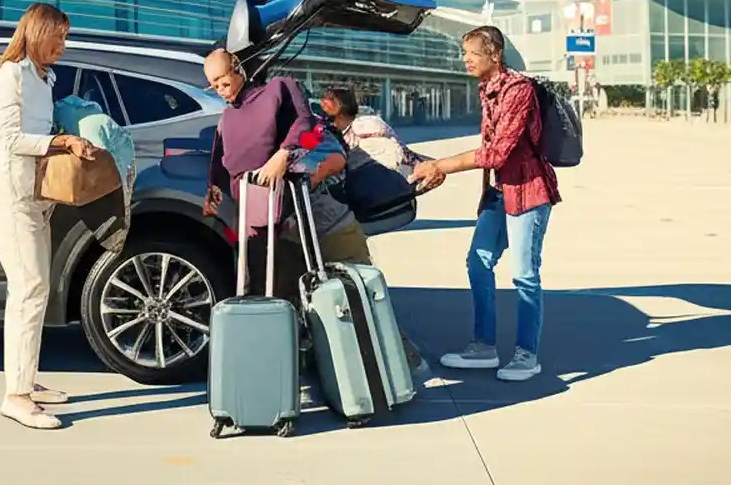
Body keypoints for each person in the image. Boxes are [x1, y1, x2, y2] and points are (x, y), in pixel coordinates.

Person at [202, 50, 423, 370]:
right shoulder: (233, 121)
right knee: (298, 304)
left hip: (326, 223)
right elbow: (222, 163)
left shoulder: (308, 127)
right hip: (282, 231)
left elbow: (334, 157)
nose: (222, 90)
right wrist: (219, 190)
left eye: (224, 81)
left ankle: (400, 363)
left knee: (361, 299)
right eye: (215, 85)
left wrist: (290, 163)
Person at [411, 26, 561, 382]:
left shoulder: (518, 89)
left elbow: (497, 151)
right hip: (498, 193)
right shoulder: (487, 89)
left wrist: (441, 165)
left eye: (472, 54)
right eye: (464, 54)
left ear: (494, 53)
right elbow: (489, 148)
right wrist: (480, 196)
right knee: (478, 263)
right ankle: (484, 347)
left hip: (528, 190)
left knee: (524, 274)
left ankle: (527, 354)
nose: (466, 60)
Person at [0, 2, 98, 429]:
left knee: (35, 290)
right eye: (60, 36)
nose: (64, 45)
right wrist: (63, 141)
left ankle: (25, 382)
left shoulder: (44, 79)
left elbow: (41, 134)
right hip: (12, 197)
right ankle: (15, 396)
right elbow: (10, 140)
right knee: (29, 289)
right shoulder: (11, 75)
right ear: (38, 31)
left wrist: (70, 138)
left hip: (37, 198)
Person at [319, 87, 432, 176]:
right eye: (323, 98)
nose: (322, 102)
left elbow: (403, 154)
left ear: (343, 104)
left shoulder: (366, 124)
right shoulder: (324, 130)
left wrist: (431, 165)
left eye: (331, 99)